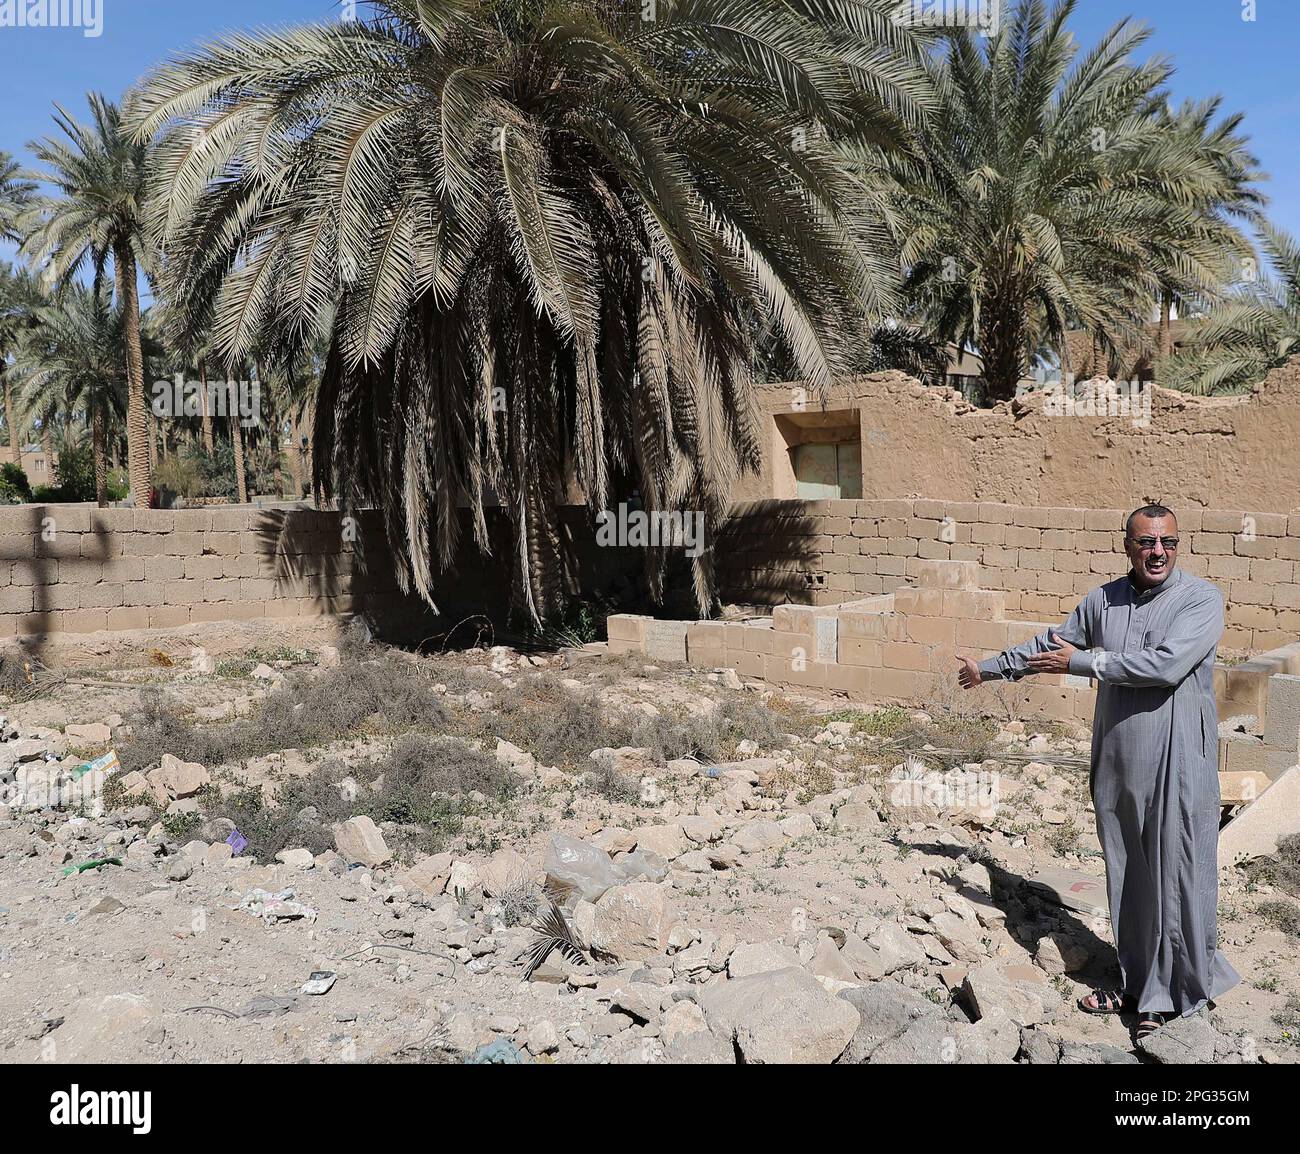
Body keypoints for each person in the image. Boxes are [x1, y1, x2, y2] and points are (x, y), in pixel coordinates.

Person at [956, 504, 1238, 1038]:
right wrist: (989, 668)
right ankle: (1137, 982)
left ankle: (1173, 996)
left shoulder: (1200, 600)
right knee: (1128, 874)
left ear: (1178, 546)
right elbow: (1052, 646)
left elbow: (1165, 664)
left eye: (1168, 543)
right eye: (1147, 543)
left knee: (1175, 873)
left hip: (1178, 764)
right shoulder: (1102, 600)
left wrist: (1084, 664)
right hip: (1117, 760)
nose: (1158, 552)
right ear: (1127, 545)